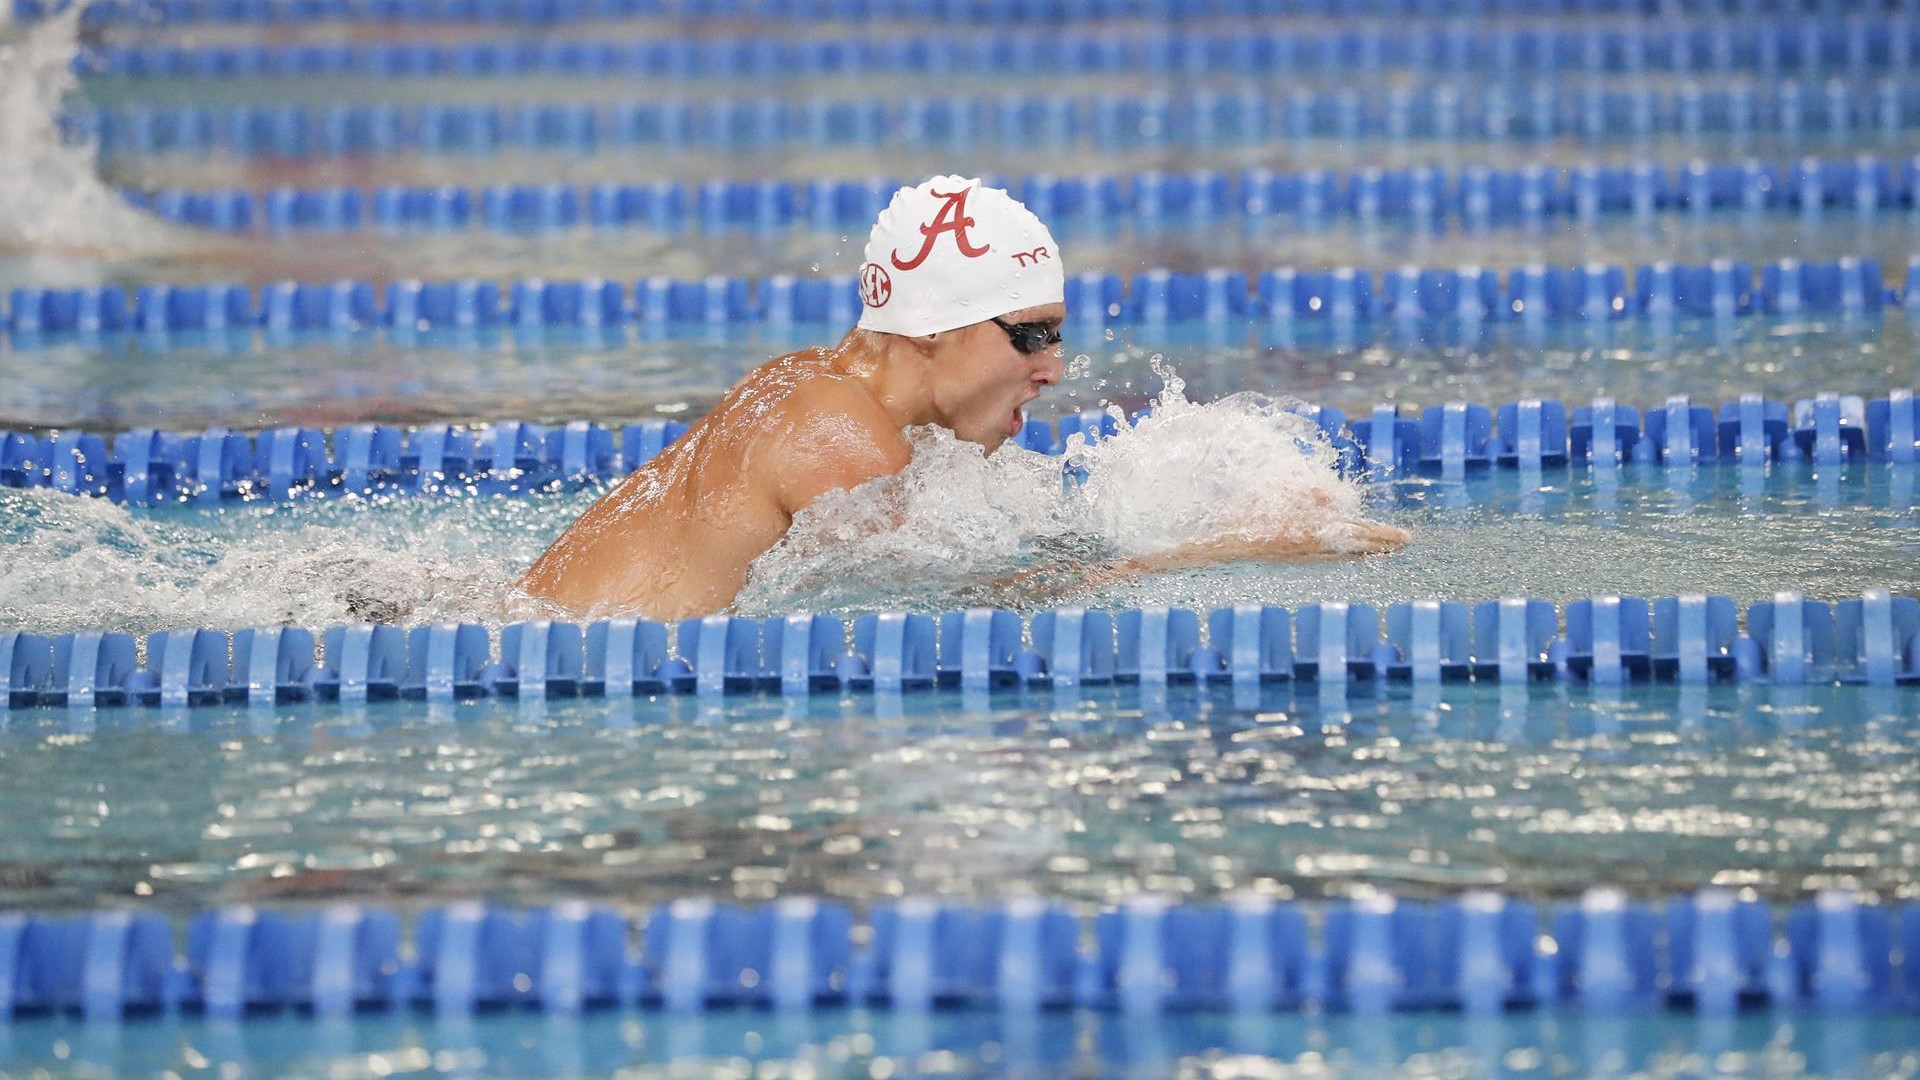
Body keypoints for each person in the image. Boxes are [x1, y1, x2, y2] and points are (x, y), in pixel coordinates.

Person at [518, 176, 1408, 619]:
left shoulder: (810, 384)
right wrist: (1228, 549)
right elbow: (953, 610)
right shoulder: (837, 432)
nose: (1055, 368)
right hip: (559, 677)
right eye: (1031, 335)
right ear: (932, 328)